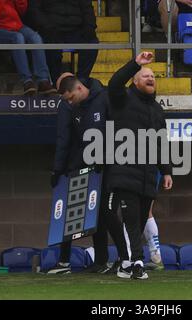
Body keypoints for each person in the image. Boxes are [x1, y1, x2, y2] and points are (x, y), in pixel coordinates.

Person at [47, 73, 129, 274]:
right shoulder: (80, 106)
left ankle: (127, 259)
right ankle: (102, 261)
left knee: (107, 212)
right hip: (90, 165)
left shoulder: (103, 99)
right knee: (97, 214)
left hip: (110, 166)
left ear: (79, 88)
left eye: (69, 97)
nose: (68, 102)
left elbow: (115, 131)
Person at [107, 52, 173, 280]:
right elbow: (114, 83)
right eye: (145, 75)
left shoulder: (157, 109)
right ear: (135, 82)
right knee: (132, 219)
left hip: (148, 175)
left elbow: (162, 141)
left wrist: (166, 171)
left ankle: (127, 264)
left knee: (142, 218)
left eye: (153, 75)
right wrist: (135, 64)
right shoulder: (122, 98)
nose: (150, 78)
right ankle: (136, 261)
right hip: (125, 171)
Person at [0, 0, 56, 95]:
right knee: (17, 38)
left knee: (35, 38)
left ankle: (43, 80)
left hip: (14, 25)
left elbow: (22, 10)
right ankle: (27, 81)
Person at [25, 0, 98, 84]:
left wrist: (89, 27)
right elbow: (35, 10)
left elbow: (88, 10)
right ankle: (55, 82)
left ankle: (81, 80)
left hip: (76, 30)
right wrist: (46, 27)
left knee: (92, 42)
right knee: (49, 45)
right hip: (51, 30)